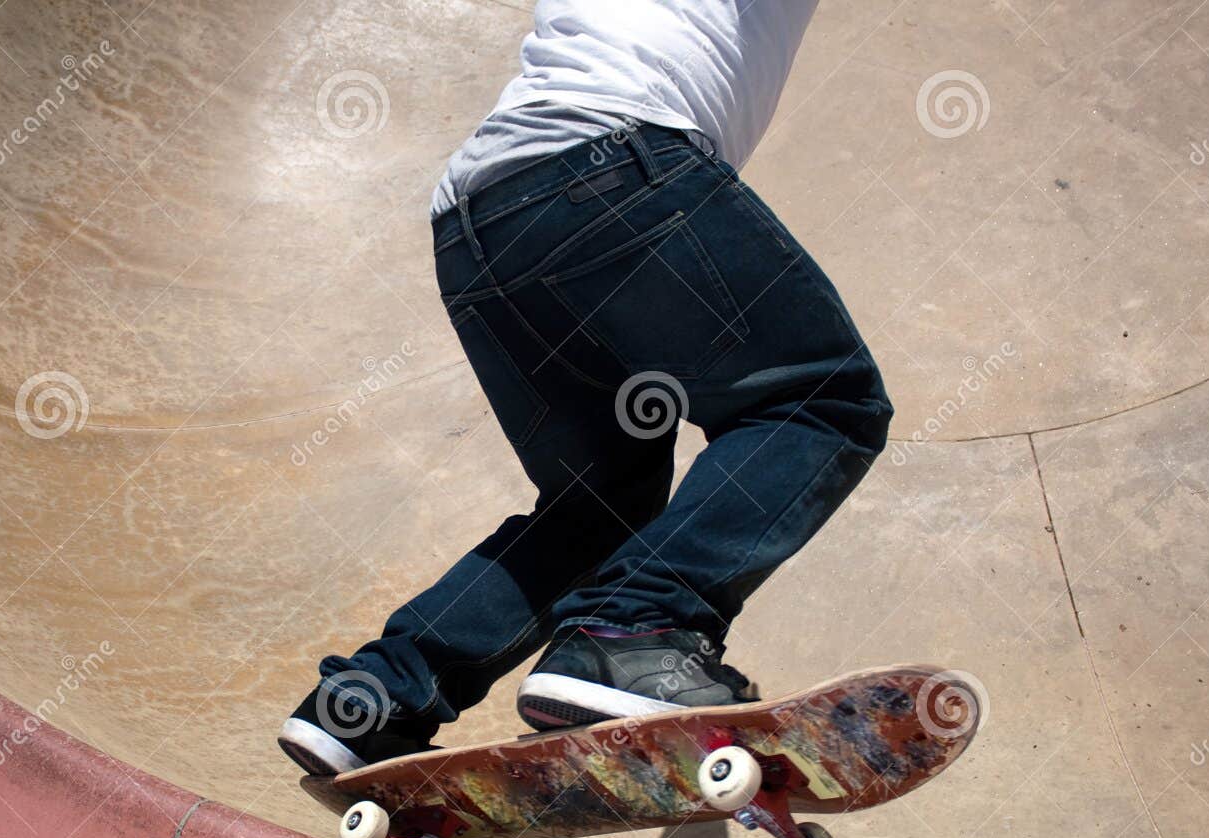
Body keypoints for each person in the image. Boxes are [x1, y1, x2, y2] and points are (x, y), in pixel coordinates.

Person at [279, 0, 891, 776]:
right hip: (612, 164)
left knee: (599, 510)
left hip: (480, 221)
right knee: (822, 400)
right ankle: (635, 628)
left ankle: (378, 697)